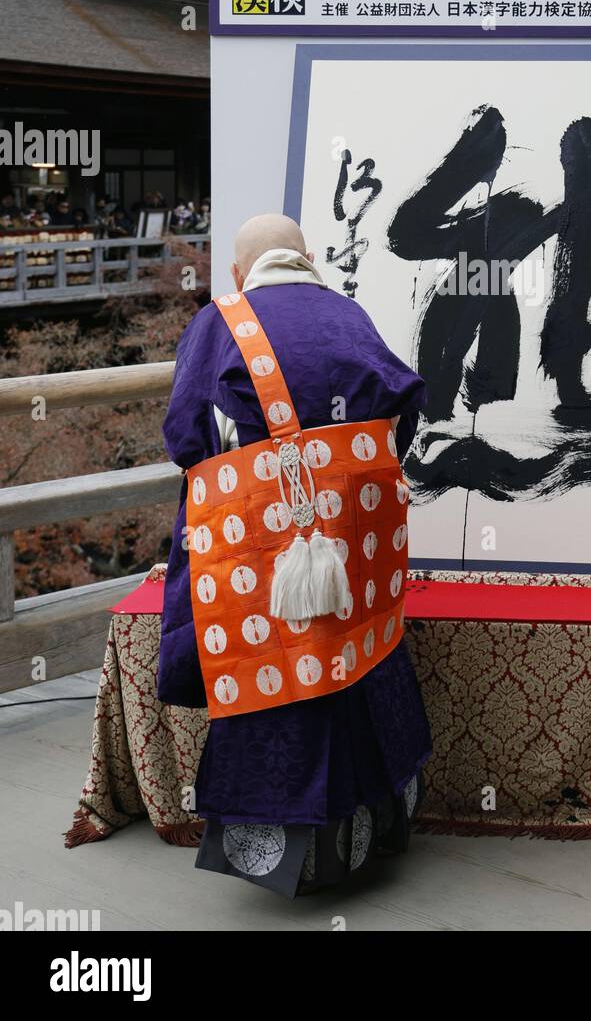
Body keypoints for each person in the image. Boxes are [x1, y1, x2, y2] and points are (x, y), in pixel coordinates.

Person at [157, 214, 432, 896]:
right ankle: (380, 829)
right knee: (359, 655)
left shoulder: (222, 320)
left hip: (264, 545)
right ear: (307, 259)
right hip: (355, 540)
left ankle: (291, 857)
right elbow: (407, 405)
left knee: (274, 673)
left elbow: (185, 438)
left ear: (239, 273)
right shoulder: (348, 314)